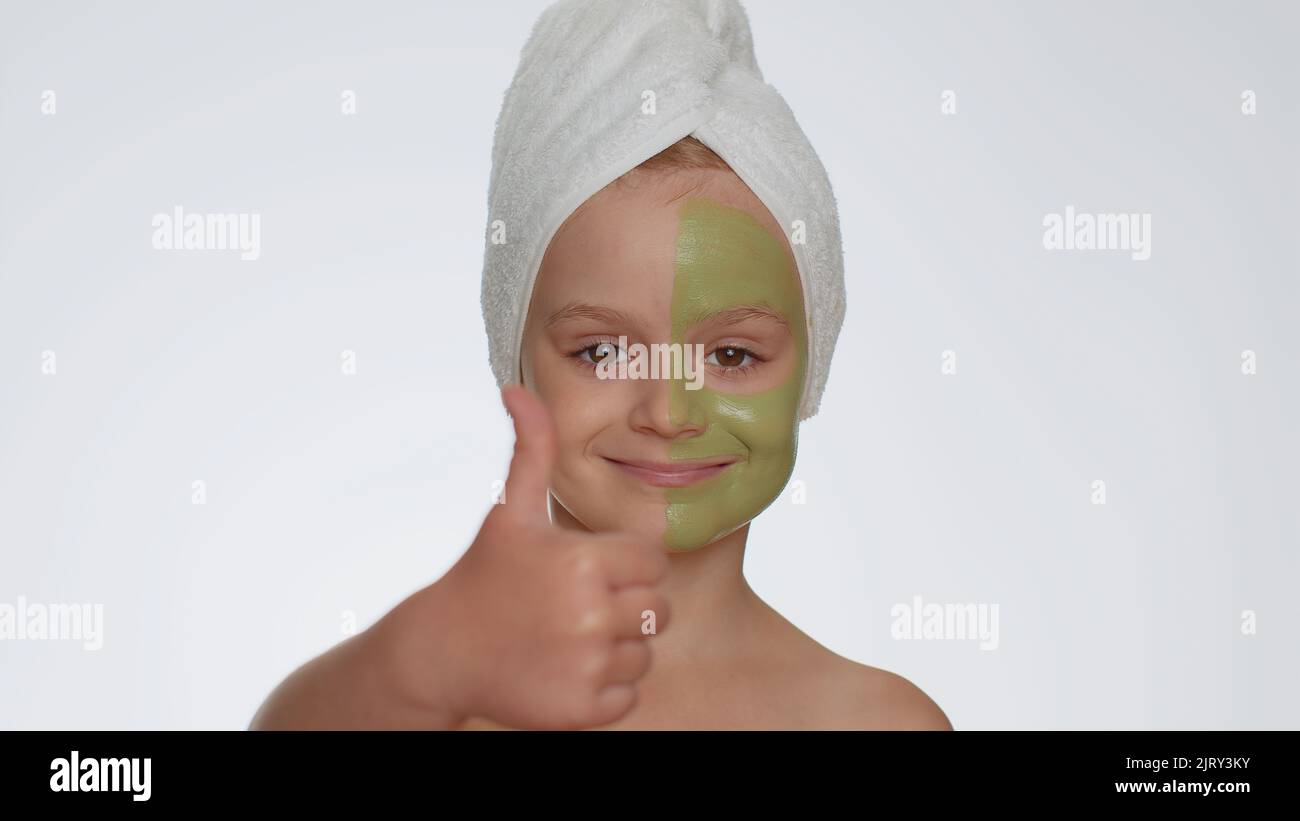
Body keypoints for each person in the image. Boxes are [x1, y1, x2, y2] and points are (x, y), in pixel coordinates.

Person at [249, 134, 951, 730]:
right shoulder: (431, 698)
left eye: (732, 354)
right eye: (604, 353)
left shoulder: (877, 718)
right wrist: (421, 657)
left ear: (812, 368)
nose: (669, 412)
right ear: (513, 360)